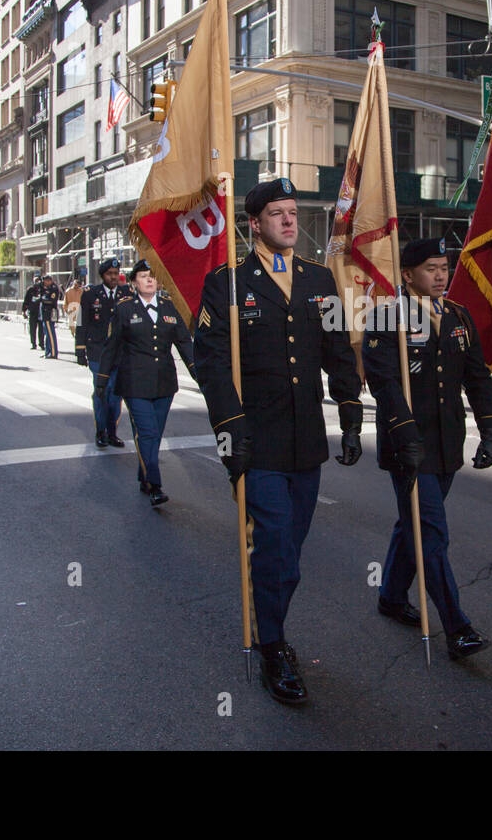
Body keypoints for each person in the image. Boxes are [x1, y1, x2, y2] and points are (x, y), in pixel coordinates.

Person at [192, 177, 363, 706]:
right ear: (254, 225)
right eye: (277, 214)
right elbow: (212, 364)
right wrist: (228, 432)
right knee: (274, 546)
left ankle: (269, 615)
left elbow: (337, 348)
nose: (289, 221)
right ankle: (274, 646)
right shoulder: (227, 283)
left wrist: (352, 412)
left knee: (290, 551)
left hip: (305, 439)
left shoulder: (318, 279)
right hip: (254, 440)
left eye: (293, 212)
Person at [364, 238, 492, 660]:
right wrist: (405, 435)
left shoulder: (458, 316)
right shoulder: (388, 317)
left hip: (446, 442)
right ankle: (457, 625)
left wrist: (490, 430)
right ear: (407, 275)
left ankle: (390, 596)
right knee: (432, 534)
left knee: (414, 526)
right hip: (409, 445)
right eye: (430, 269)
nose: (440, 276)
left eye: (444, 267)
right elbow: (383, 383)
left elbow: (476, 377)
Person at [96, 260, 194, 508]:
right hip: (135, 384)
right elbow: (112, 346)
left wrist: (200, 374)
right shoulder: (124, 310)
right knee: (147, 432)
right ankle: (155, 484)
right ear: (133, 283)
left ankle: (144, 475)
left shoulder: (169, 308)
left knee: (155, 434)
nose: (149, 280)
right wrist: (102, 380)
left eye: (153, 276)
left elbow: (185, 344)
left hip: (164, 384)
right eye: (143, 276)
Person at [77, 258, 133, 448]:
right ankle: (100, 431)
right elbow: (81, 321)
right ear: (103, 276)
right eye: (110, 274)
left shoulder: (126, 293)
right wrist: (80, 349)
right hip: (97, 352)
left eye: (116, 274)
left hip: (119, 353)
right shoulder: (91, 294)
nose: (114, 277)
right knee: (102, 392)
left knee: (115, 395)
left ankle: (112, 432)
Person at [36, 273, 60, 358]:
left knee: (50, 333)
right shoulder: (46, 288)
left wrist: (41, 299)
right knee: (47, 333)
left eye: (45, 281)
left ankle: (53, 353)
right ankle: (47, 351)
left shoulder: (53, 289)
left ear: (49, 281)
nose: (44, 283)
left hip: (49, 313)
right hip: (45, 313)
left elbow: (51, 300)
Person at [22, 277, 44, 350]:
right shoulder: (30, 289)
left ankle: (41, 343)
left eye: (38, 281)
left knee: (41, 329)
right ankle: (33, 343)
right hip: (32, 311)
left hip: (41, 312)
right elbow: (26, 300)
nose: (37, 283)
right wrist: (24, 311)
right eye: (36, 281)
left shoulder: (43, 289)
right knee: (32, 329)